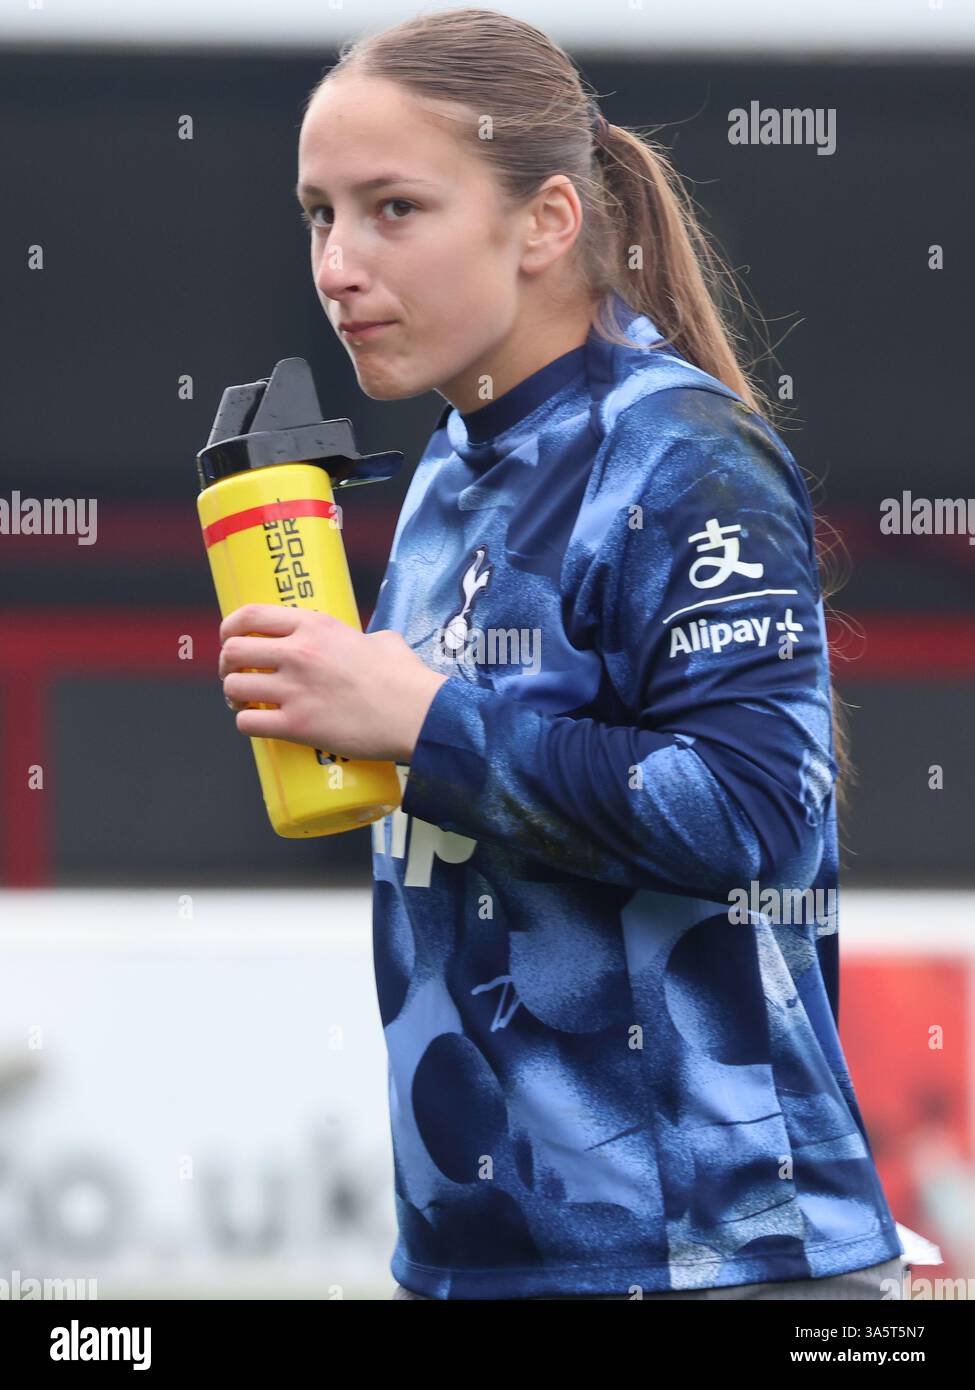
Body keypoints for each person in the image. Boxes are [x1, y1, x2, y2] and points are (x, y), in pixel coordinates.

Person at [218, 7, 906, 1300]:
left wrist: (425, 724)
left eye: (394, 208)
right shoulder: (440, 482)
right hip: (480, 1267)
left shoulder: (684, 457)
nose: (338, 263)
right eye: (320, 213)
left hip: (718, 1264)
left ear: (545, 222)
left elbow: (753, 811)